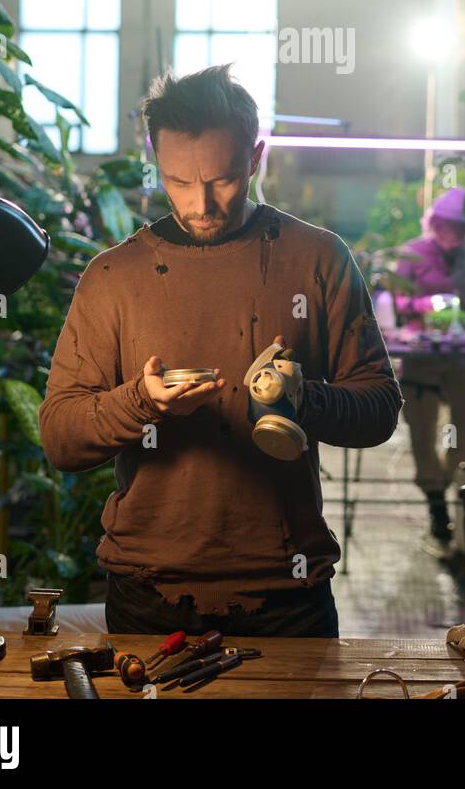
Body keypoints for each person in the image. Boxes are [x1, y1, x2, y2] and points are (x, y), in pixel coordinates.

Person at [39, 64, 402, 637]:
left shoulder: (318, 258)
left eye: (225, 178)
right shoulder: (113, 276)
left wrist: (303, 401)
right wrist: (142, 404)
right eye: (178, 181)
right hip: (151, 589)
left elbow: (380, 407)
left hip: (288, 588)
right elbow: (60, 436)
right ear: (157, 160)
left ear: (256, 158)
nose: (202, 202)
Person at [395, 187, 465, 553]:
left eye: (458, 227)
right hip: (421, 349)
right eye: (445, 226)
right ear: (434, 223)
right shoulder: (414, 250)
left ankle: (441, 479)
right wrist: (427, 304)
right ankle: (436, 504)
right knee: (422, 428)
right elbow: (397, 299)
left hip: (462, 349)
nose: (451, 233)